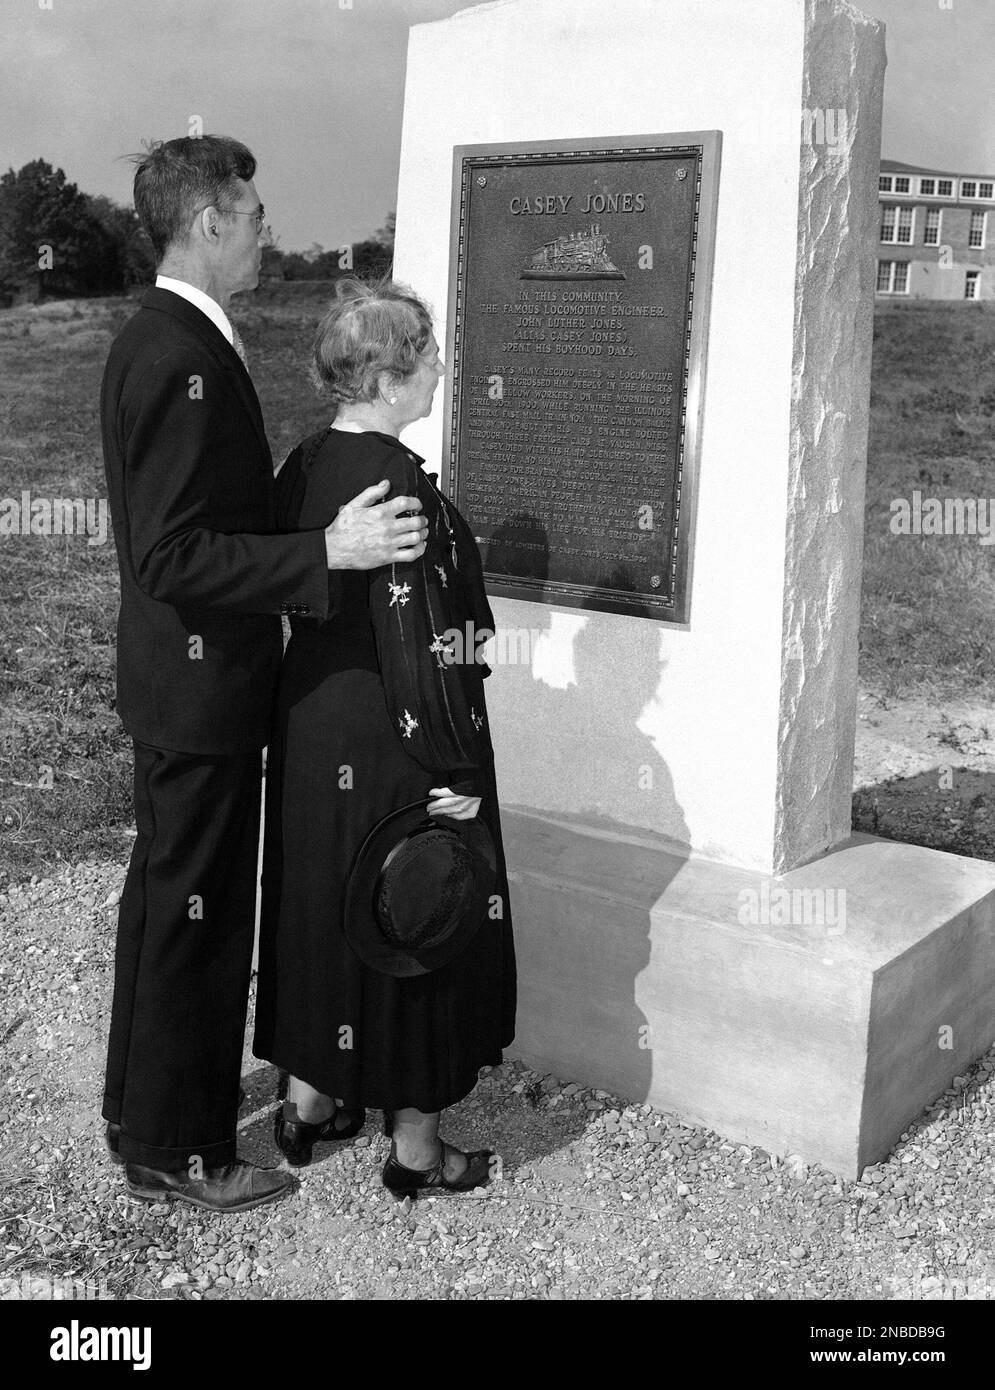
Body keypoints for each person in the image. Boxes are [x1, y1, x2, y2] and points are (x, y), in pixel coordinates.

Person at [100, 136, 428, 1213]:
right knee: (193, 919)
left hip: (190, 686)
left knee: (168, 905)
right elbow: (170, 552)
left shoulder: (183, 334)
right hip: (199, 690)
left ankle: (140, 1112)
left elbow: (213, 512)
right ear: (206, 222)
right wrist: (322, 555)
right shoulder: (173, 351)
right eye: (248, 214)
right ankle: (182, 1148)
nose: (262, 229)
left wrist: (301, 518)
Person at [253, 278, 516, 1196]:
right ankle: (417, 1152)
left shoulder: (306, 461)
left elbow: (284, 588)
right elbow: (433, 646)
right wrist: (460, 767)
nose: (443, 367)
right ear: (391, 376)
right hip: (397, 733)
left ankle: (310, 1102)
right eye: (431, 354)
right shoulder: (402, 491)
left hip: (313, 722)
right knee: (418, 917)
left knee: (325, 904)